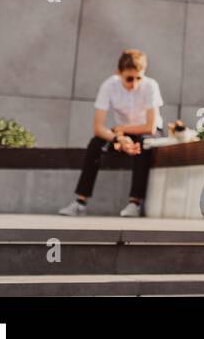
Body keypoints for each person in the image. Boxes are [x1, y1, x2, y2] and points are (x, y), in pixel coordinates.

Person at [59, 49, 162, 217]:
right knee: (95, 144)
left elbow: (150, 127)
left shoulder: (151, 86)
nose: (134, 84)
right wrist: (119, 139)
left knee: (144, 143)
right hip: (121, 134)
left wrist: (122, 132)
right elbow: (98, 127)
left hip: (147, 132)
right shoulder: (109, 85)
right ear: (119, 73)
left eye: (139, 78)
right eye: (129, 79)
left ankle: (134, 203)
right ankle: (80, 202)